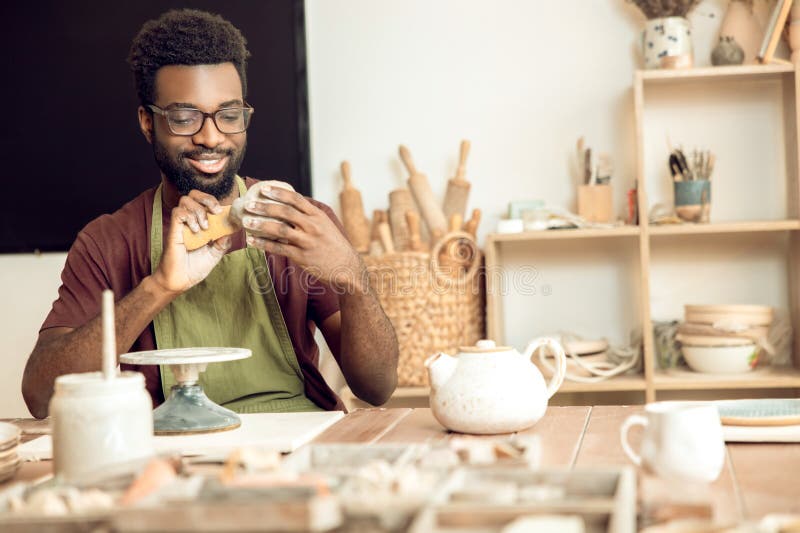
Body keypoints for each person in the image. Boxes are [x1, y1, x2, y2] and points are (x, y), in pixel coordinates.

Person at [21, 9, 398, 418]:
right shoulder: (107, 241)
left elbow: (377, 388)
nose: (211, 136)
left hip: (294, 436)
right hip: (171, 450)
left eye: (229, 115)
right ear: (148, 123)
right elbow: (41, 396)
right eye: (184, 118)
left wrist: (353, 278)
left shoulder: (301, 222)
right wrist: (160, 287)